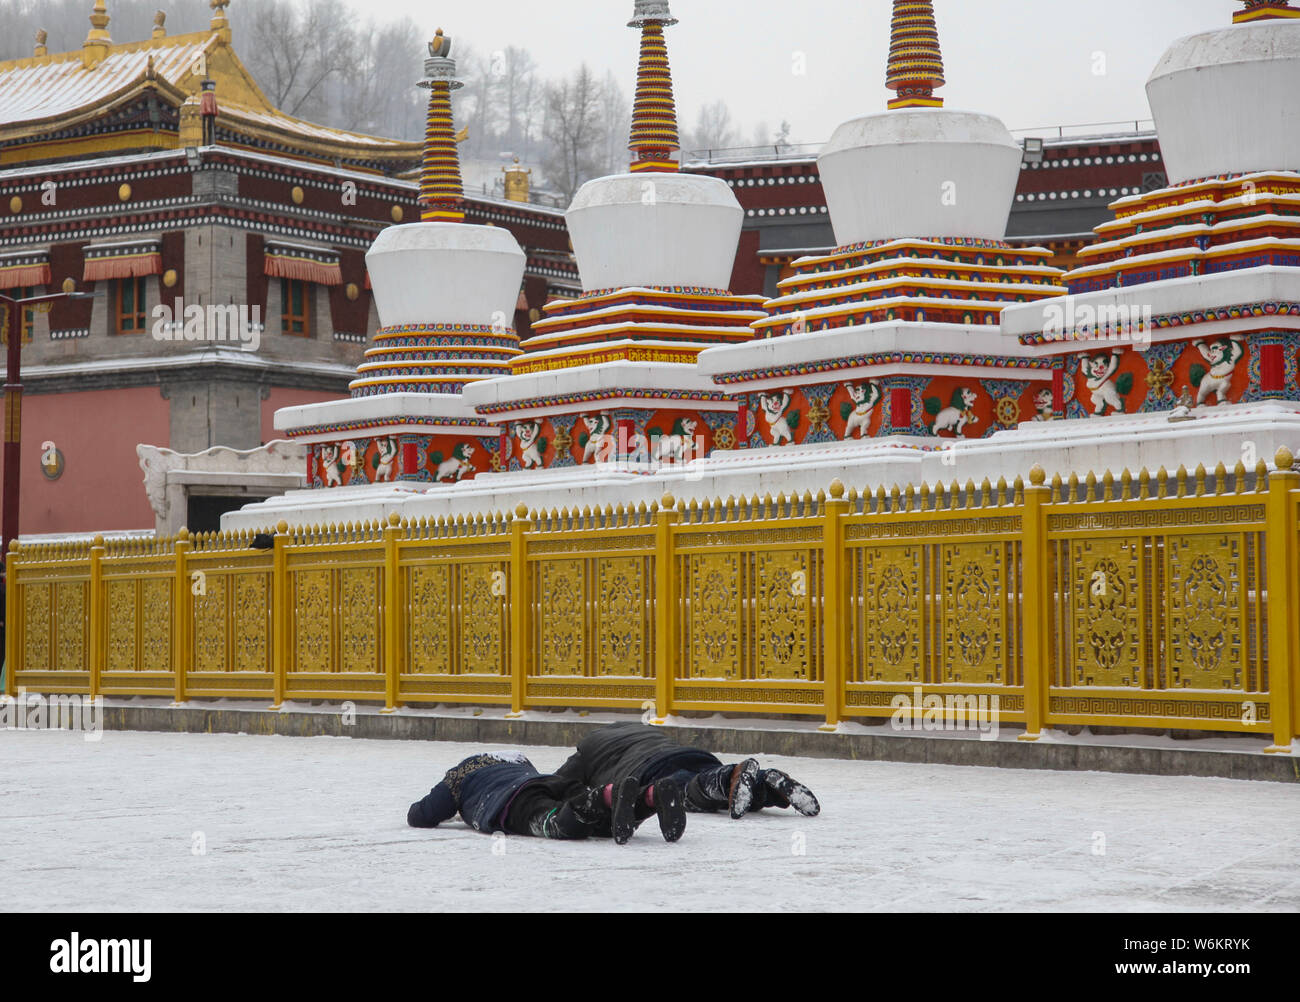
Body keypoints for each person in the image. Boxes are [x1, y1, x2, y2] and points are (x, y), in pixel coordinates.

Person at [553, 722, 820, 822]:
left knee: (685, 788)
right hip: (689, 754)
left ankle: (725, 779)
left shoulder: (587, 748)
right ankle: (767, 784)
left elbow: (556, 784)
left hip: (648, 770)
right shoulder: (643, 728)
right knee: (731, 789)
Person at [406, 750, 683, 845]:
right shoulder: (517, 760)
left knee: (557, 823)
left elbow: (421, 815)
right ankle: (648, 796)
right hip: (547, 781)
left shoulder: (462, 772)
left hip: (509, 799)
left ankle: (606, 795)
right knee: (600, 825)